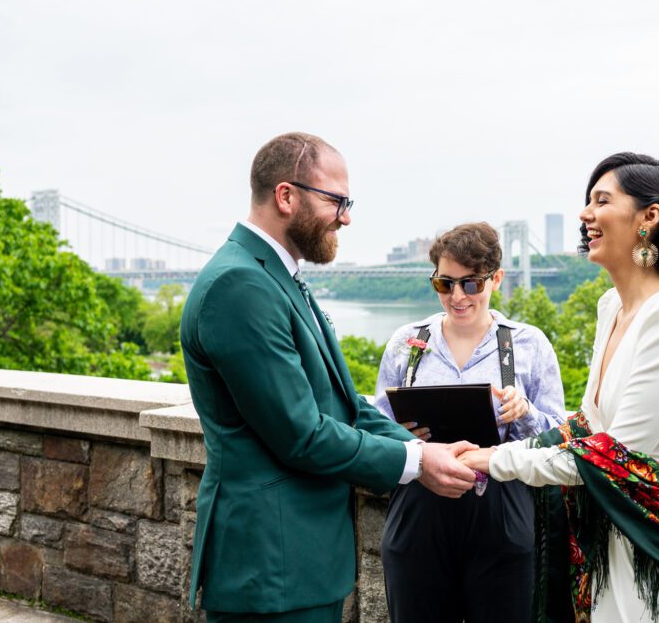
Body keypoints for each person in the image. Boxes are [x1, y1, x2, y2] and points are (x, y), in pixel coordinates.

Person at [180, 132, 479, 623]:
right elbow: (300, 433)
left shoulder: (276, 277)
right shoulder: (241, 285)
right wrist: (416, 463)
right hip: (272, 567)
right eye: (336, 201)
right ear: (286, 196)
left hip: (301, 561)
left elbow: (344, 404)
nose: (346, 216)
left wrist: (427, 449)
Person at [459, 153, 659, 623]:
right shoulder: (611, 306)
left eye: (602, 200)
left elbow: (613, 454)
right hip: (609, 544)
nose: (585, 214)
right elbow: (586, 426)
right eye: (587, 201)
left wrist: (495, 459)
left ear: (649, 217)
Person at [373, 222, 567, 623]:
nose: (457, 297)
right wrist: (401, 435)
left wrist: (525, 412)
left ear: (496, 278)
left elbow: (559, 439)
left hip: (501, 510)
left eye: (471, 284)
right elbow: (374, 427)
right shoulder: (407, 342)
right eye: (445, 285)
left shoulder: (529, 344)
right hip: (418, 510)